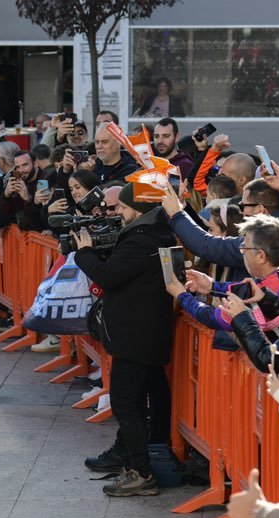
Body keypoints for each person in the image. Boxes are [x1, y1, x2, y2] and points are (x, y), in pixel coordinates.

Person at [75, 184, 177, 496]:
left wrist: (85, 252)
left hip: (136, 337)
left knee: (125, 402)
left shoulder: (140, 241)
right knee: (146, 398)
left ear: (138, 209)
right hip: (147, 334)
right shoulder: (157, 234)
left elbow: (108, 276)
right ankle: (130, 455)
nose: (117, 212)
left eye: (122, 207)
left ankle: (141, 472)